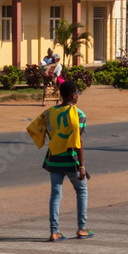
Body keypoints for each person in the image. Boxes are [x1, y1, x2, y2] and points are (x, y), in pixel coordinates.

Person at [26, 80, 91, 242]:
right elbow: (79, 142)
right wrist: (82, 166)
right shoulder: (79, 115)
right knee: (81, 191)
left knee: (55, 195)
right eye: (78, 93)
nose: (78, 96)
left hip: (54, 159)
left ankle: (54, 231)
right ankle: (82, 228)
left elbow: (36, 129)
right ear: (72, 95)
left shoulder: (49, 113)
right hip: (71, 160)